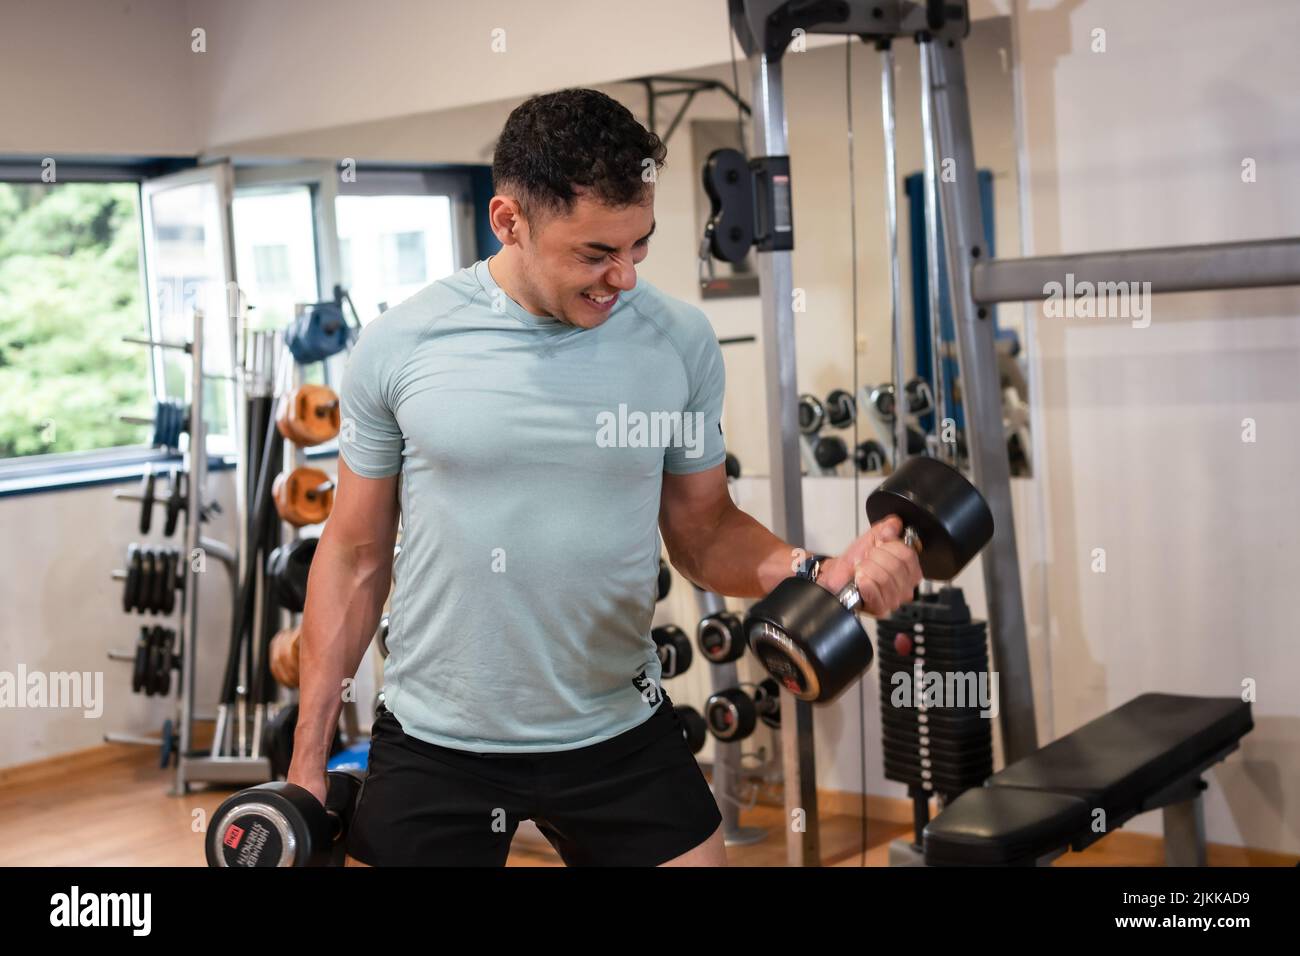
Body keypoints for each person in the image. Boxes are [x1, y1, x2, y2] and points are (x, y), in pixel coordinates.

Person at [287, 88, 922, 866]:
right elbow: (353, 555)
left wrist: (816, 570)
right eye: (594, 253)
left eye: (640, 246)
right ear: (509, 221)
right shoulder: (401, 344)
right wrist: (307, 762)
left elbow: (703, 530)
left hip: (616, 727)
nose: (622, 278)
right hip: (436, 738)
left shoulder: (678, 342)